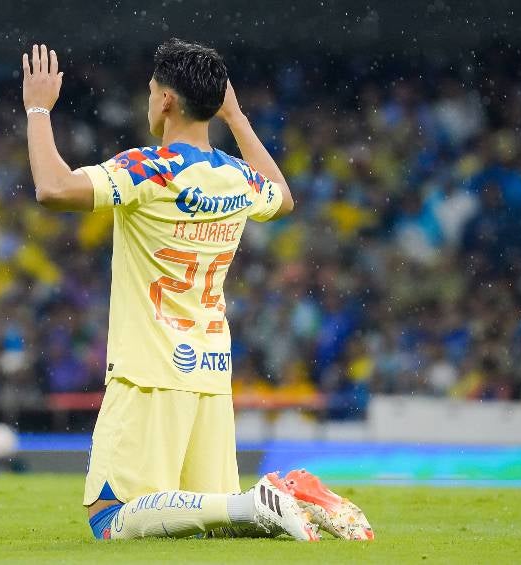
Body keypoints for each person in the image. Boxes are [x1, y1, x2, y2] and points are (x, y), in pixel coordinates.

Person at [21, 39, 372, 541]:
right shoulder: (235, 177)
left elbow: (53, 190)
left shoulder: (151, 168)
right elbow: (284, 197)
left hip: (148, 372)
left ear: (165, 100)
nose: (148, 100)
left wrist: (38, 109)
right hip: (209, 372)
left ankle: (269, 495)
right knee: (215, 521)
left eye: (151, 91)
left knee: (110, 518)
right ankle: (287, 496)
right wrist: (235, 116)